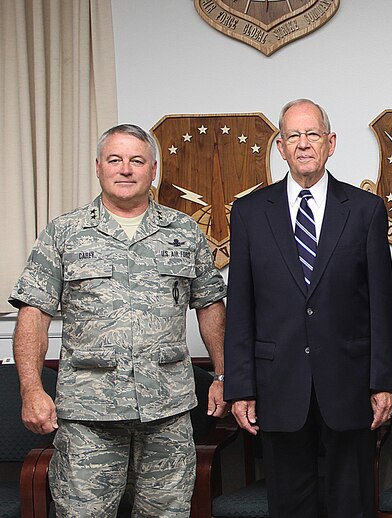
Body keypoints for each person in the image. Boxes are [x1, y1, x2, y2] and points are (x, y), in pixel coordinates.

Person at [9, 124, 227, 516]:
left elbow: (210, 306)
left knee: (168, 513)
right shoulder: (64, 232)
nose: (125, 169)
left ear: (153, 170)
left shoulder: (184, 232)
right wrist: (31, 389)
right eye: (115, 159)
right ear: (98, 168)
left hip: (167, 411)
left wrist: (225, 375)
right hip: (89, 416)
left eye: (136, 160)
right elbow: (34, 314)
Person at [224, 98, 392, 518]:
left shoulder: (365, 210)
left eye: (313, 134)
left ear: (331, 142)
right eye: (293, 136)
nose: (303, 144)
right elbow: (241, 307)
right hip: (277, 383)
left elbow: (381, 304)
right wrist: (241, 387)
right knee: (289, 504)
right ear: (280, 147)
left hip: (350, 382)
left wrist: (382, 381)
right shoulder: (249, 212)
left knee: (351, 503)